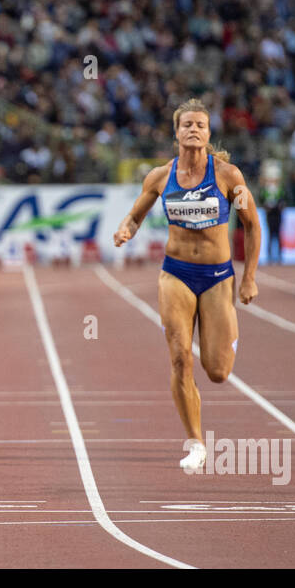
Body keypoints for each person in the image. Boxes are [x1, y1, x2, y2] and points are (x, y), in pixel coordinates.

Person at [113, 99, 261, 471]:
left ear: (209, 134)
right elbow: (135, 215)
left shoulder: (228, 176)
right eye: (187, 125)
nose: (193, 129)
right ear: (176, 132)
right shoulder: (160, 178)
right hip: (175, 274)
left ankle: (226, 337)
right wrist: (125, 230)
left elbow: (252, 225)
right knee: (180, 358)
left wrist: (249, 278)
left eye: (200, 125)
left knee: (217, 371)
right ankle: (195, 441)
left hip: (217, 278)